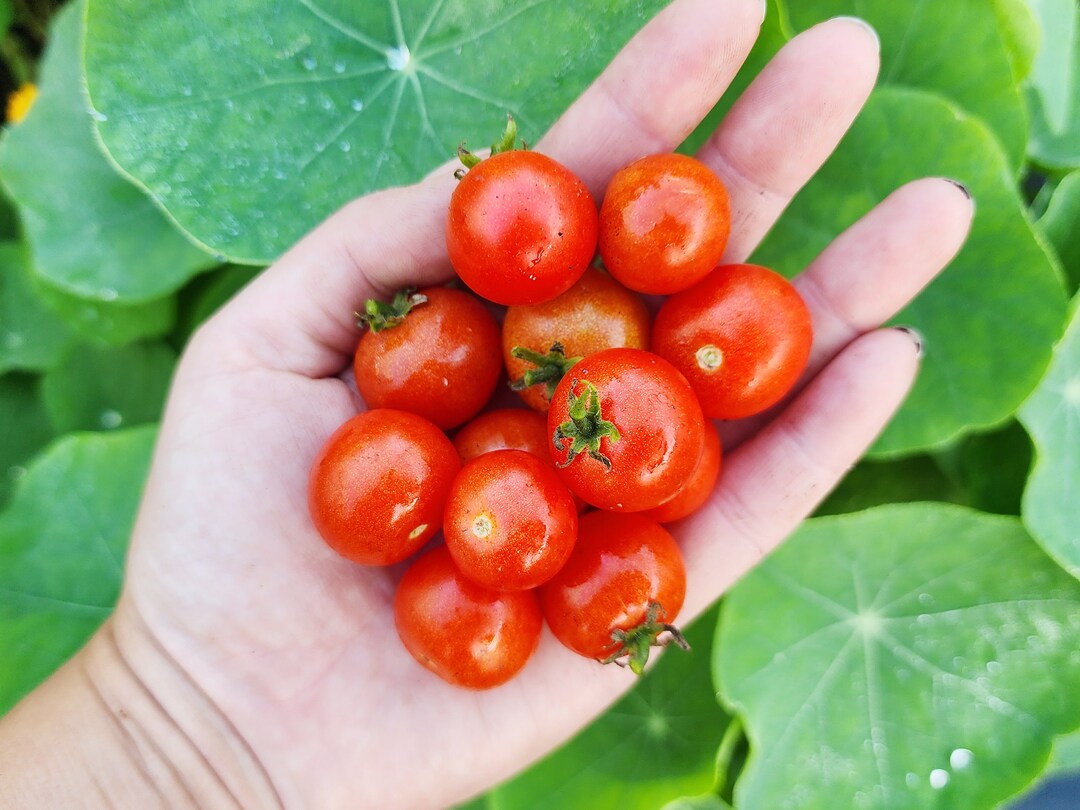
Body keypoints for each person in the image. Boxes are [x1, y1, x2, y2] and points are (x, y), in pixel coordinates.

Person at [0, 0, 974, 806]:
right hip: (533, 451)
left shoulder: (575, 431)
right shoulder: (506, 444)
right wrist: (172, 727)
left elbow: (584, 441)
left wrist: (170, 741)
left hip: (563, 445)